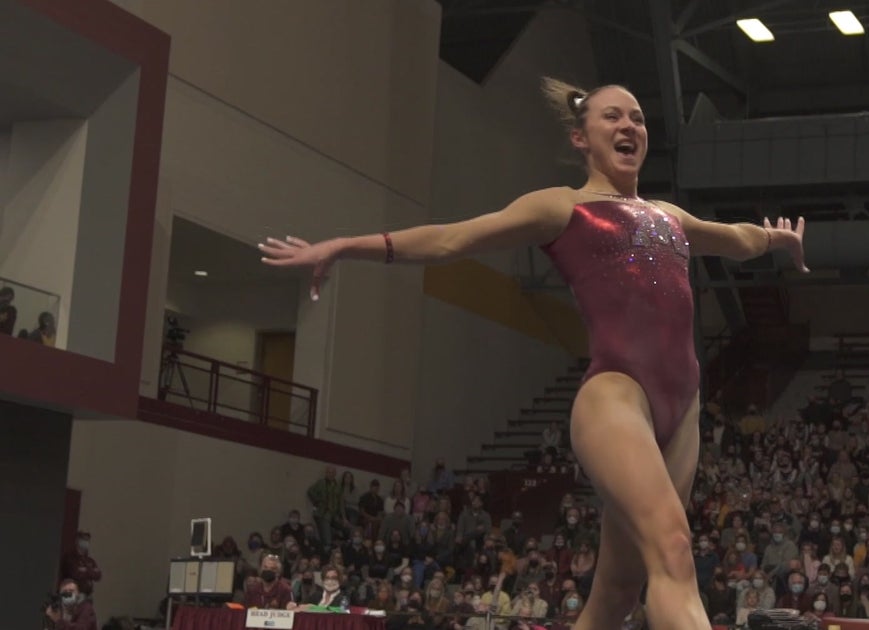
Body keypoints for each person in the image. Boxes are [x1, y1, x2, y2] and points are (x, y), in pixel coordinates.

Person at [259, 77, 809, 630]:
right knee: (672, 548)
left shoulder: (670, 215)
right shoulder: (562, 207)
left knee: (617, 591)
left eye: (637, 118)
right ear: (580, 139)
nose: (629, 127)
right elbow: (452, 239)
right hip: (618, 395)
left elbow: (734, 238)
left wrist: (775, 240)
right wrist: (346, 247)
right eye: (612, 118)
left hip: (683, 407)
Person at [59, 531, 102, 596]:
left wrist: (85, 570)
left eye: (87, 540)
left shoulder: (89, 560)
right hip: (71, 594)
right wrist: (91, 571)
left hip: (86, 595)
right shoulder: (70, 558)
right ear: (77, 541)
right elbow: (75, 573)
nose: (86, 543)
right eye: (84, 540)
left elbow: (98, 575)